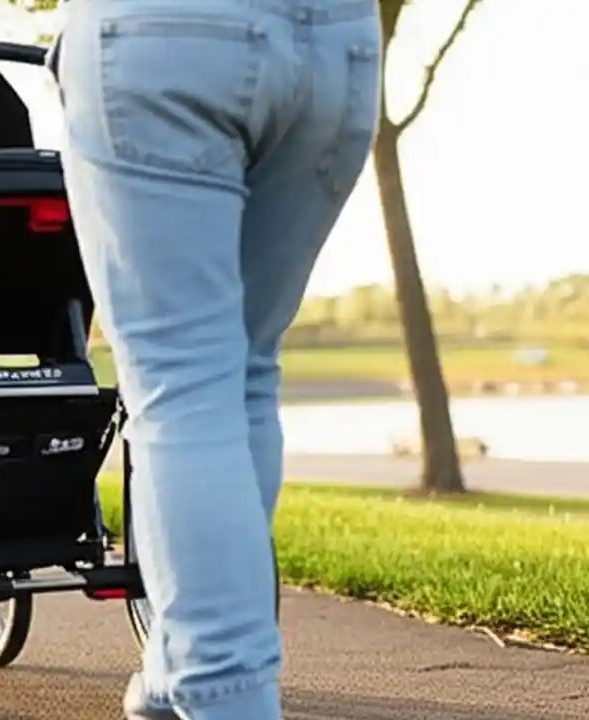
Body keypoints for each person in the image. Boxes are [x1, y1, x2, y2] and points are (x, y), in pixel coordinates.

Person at [48, 1, 382, 718]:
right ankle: (176, 666)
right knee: (244, 370)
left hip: (163, 36)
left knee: (183, 381)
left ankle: (226, 694)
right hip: (337, 42)